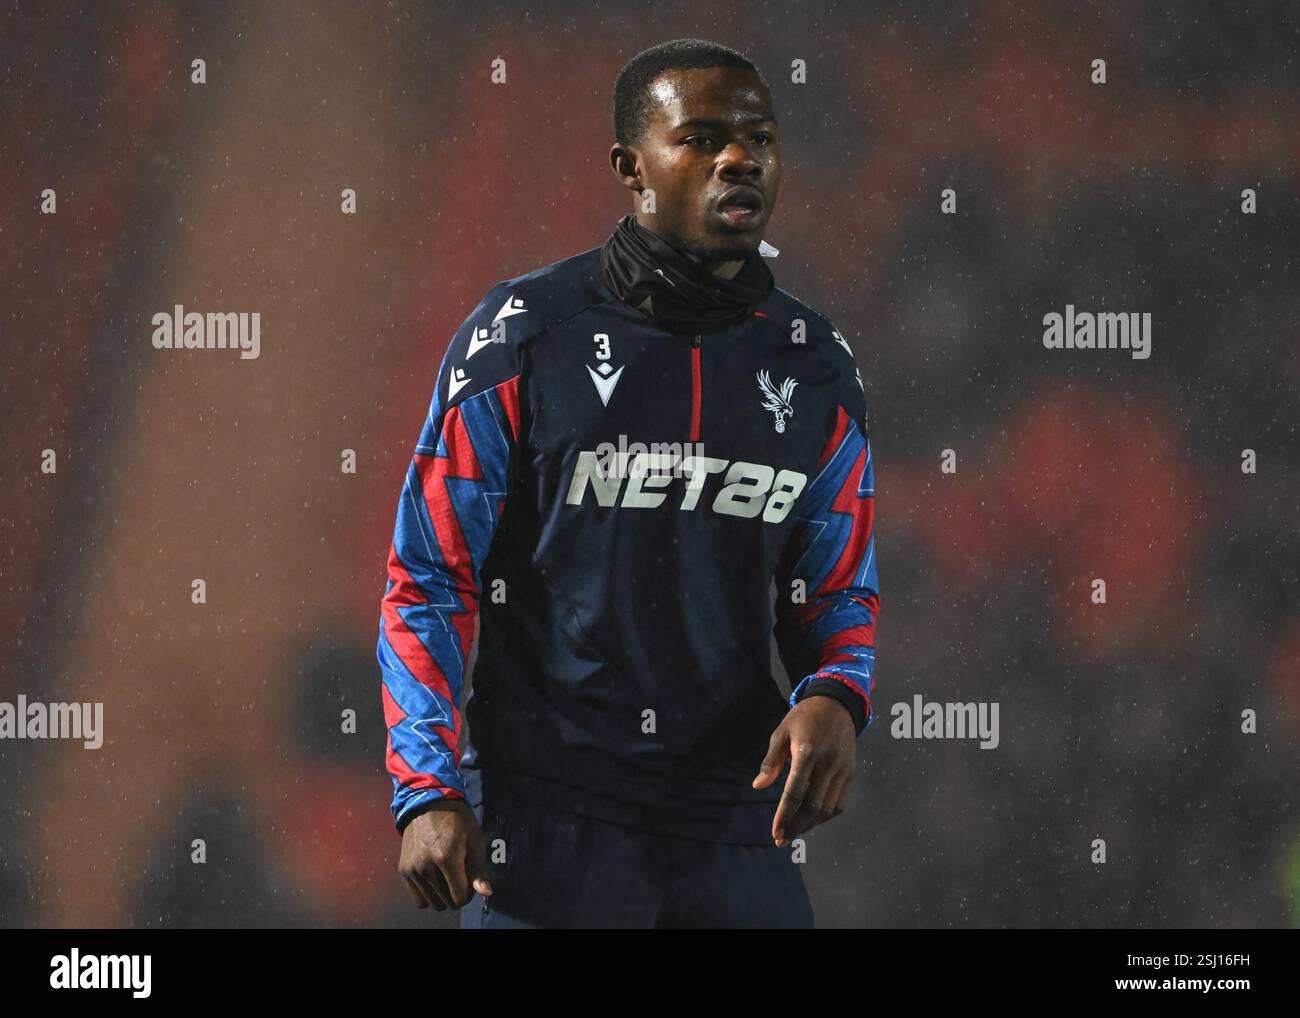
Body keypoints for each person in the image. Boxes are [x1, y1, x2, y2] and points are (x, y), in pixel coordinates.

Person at [377, 37, 879, 928]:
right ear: (630, 167)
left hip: (731, 823)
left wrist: (837, 696)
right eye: (701, 139)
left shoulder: (816, 365)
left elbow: (835, 588)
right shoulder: (520, 338)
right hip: (549, 821)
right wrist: (426, 788)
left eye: (759, 139)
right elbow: (429, 574)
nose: (740, 158)